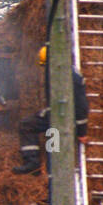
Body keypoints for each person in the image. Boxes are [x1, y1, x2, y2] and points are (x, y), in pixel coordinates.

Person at [12, 46, 89, 175]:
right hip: (58, 115)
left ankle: (53, 174)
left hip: (64, 119)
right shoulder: (62, 71)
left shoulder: (70, 77)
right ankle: (34, 164)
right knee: (28, 124)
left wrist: (82, 132)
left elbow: (81, 106)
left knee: (53, 142)